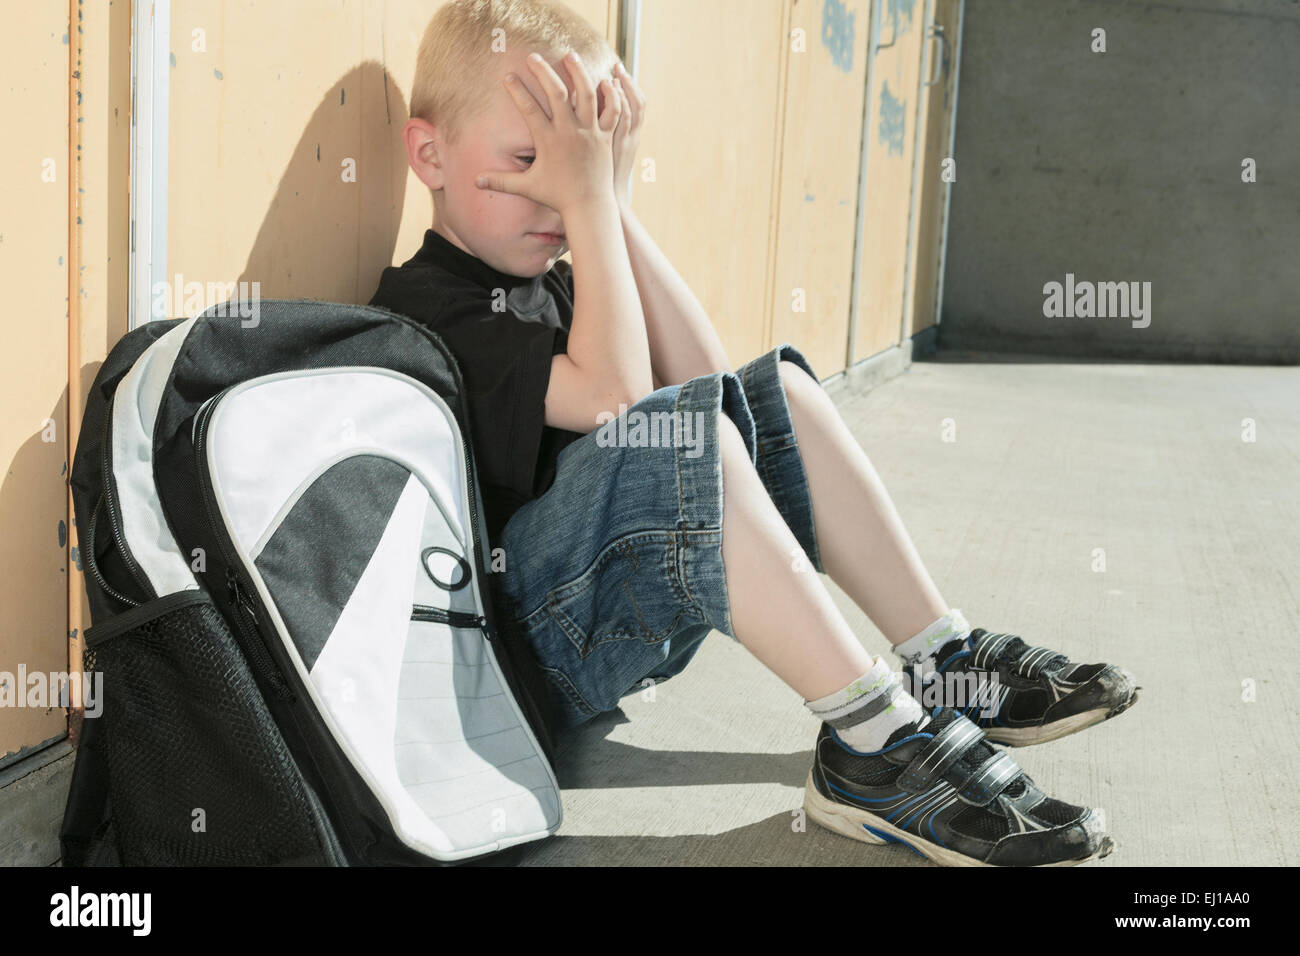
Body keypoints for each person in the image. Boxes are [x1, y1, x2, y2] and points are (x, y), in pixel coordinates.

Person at [369, 0, 1140, 867]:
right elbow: (625, 399)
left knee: (776, 394)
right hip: (526, 658)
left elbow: (713, 382)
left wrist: (611, 204)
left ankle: (941, 657)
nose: (555, 197)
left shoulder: (556, 275)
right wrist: (585, 196)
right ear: (429, 154)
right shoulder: (425, 312)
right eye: (527, 163)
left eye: (572, 169)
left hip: (606, 610)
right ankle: (872, 745)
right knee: (677, 440)